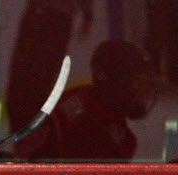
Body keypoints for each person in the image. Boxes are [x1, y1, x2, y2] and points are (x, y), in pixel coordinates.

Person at [13, 40, 161, 161]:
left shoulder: (121, 134)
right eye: (136, 84)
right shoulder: (81, 118)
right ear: (115, 80)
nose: (142, 94)